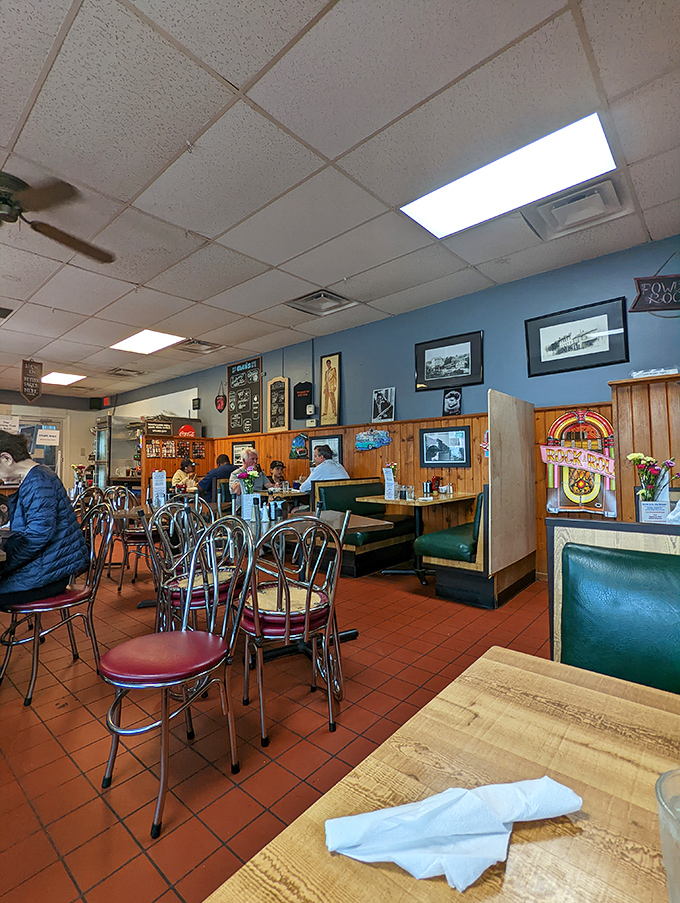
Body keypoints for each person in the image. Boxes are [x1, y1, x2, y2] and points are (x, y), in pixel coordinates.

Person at [0, 430, 88, 610]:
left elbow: (37, 536)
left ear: (6, 458)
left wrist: (7, 564)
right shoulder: (38, 476)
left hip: (50, 574)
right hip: (50, 565)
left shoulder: (39, 481)